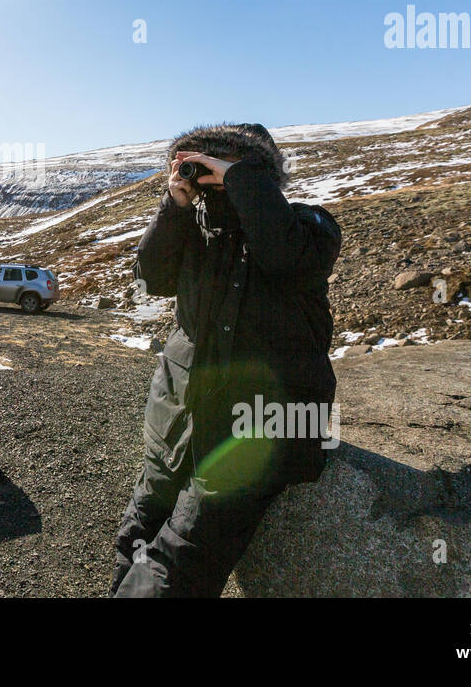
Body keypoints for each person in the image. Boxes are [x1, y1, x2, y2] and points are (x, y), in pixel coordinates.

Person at [110, 123, 341, 598]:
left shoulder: (310, 226)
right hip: (179, 418)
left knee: (182, 554)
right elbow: (151, 276)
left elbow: (283, 257)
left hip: (260, 426)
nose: (208, 179)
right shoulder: (197, 231)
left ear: (259, 173)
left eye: (222, 167)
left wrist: (242, 179)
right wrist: (174, 206)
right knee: (140, 528)